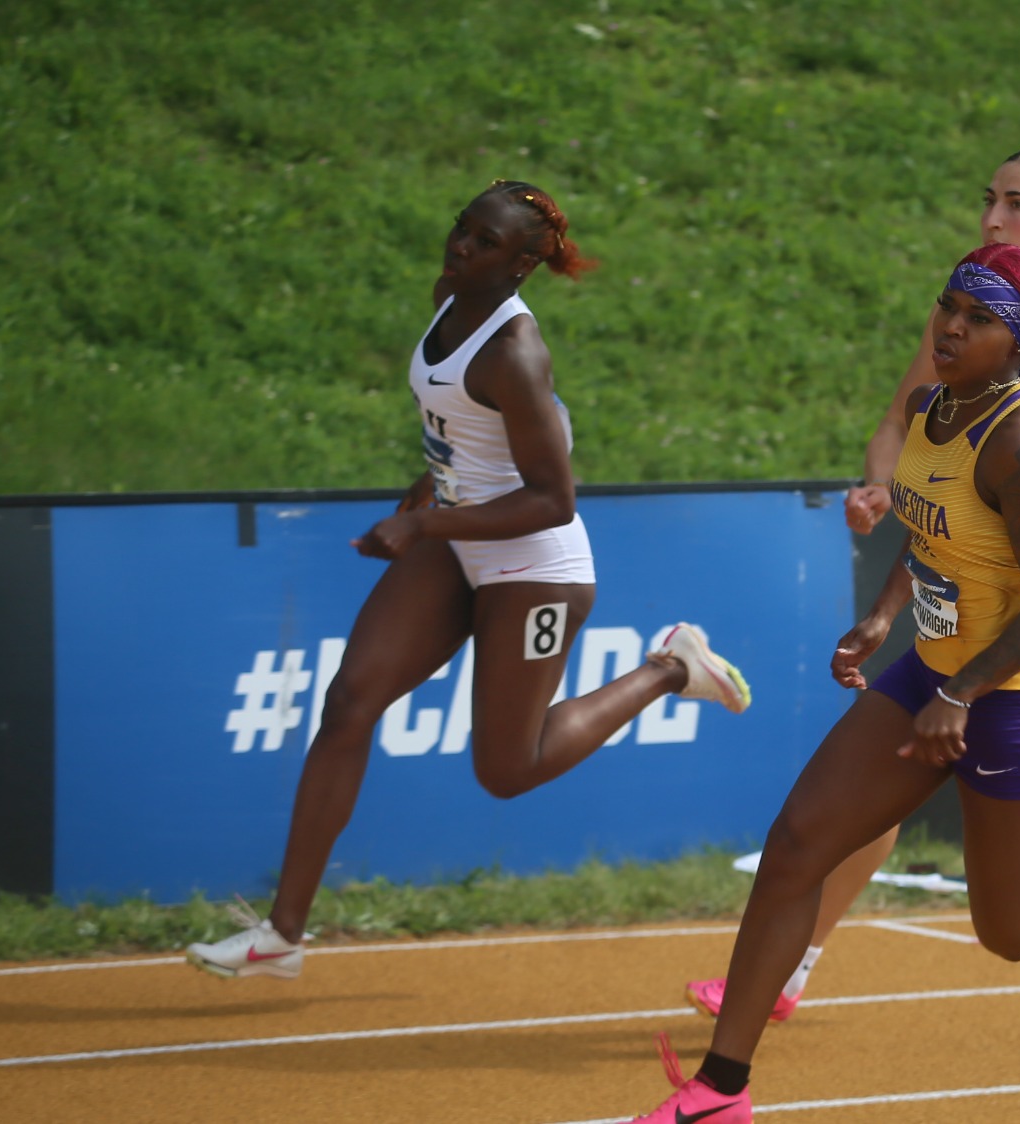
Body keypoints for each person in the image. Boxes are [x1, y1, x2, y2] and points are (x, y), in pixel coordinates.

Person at [623, 243, 1020, 1123]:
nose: (951, 329)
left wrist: (960, 695)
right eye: (947, 309)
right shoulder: (931, 407)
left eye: (979, 320)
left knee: (1015, 931)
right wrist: (886, 616)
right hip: (928, 668)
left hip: (1010, 701)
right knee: (796, 847)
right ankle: (718, 1091)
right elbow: (932, 532)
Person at [187, 180, 751, 980]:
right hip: (460, 534)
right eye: (463, 227)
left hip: (534, 564)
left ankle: (670, 668)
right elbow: (464, 431)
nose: (461, 245)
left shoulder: (515, 350)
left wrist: (422, 524)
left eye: (484, 242)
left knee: (506, 770)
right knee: (349, 703)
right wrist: (432, 487)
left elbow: (553, 499)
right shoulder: (450, 296)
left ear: (520, 264)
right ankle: (283, 934)